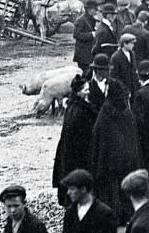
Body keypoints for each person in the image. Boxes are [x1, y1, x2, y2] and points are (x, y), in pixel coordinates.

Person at [90, 79, 142, 224]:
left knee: (111, 192)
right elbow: (134, 141)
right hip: (127, 164)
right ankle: (127, 215)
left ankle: (114, 216)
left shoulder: (104, 114)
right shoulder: (127, 114)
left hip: (108, 164)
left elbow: (97, 138)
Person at [53, 75, 98, 207]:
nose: (88, 92)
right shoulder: (80, 110)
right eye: (85, 89)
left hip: (70, 152)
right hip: (78, 153)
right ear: (78, 91)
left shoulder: (72, 106)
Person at [60, 169, 118, 233]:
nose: (68, 192)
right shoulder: (70, 212)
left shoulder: (104, 213)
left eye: (72, 189)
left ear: (83, 189)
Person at [73, 0, 101, 74]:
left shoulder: (93, 20)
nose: (95, 12)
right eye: (95, 10)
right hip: (82, 53)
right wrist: (91, 34)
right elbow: (76, 35)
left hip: (89, 53)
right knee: (85, 74)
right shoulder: (81, 20)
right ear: (89, 9)